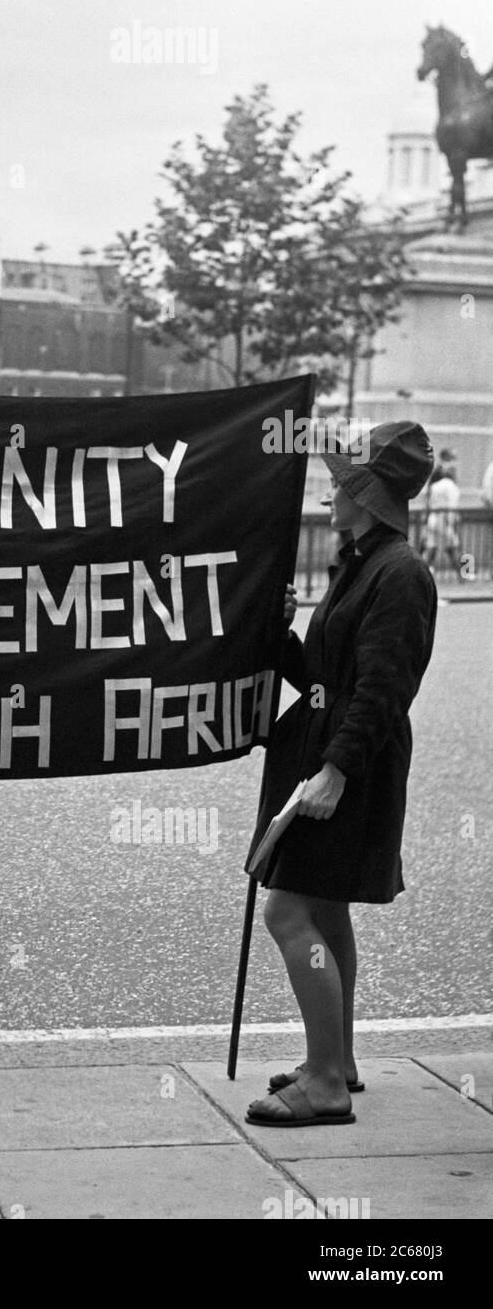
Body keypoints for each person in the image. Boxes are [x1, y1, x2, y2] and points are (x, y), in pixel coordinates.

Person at [244, 421, 437, 1128]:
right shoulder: (361, 564)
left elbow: (383, 690)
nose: (330, 494)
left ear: (366, 494)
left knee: (287, 911)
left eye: (340, 483)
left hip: (351, 765)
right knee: (325, 908)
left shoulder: (399, 574)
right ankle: (338, 1059)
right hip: (335, 753)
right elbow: (326, 681)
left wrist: (335, 771)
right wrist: (285, 634)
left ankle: (324, 1082)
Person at [420, 458, 469, 580]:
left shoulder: (434, 486)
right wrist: (452, 523)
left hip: (433, 518)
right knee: (453, 547)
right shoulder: (452, 487)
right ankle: (463, 575)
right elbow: (452, 506)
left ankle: (418, 573)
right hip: (445, 520)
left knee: (430, 548)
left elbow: (428, 503)